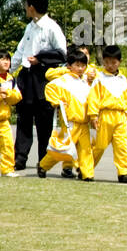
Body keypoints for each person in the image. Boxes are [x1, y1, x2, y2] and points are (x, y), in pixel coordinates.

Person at [11, 0, 68, 172]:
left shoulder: (51, 27)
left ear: (32, 7)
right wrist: (7, 72)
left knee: (44, 121)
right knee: (24, 118)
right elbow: (20, 52)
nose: (25, 8)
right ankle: (20, 157)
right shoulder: (30, 27)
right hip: (27, 77)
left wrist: (41, 58)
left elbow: (62, 53)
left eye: (26, 5)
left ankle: (43, 160)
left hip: (43, 77)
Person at [37, 48, 95, 180]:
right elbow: (49, 88)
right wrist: (57, 102)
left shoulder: (85, 81)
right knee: (62, 149)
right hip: (70, 122)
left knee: (86, 150)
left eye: (83, 65)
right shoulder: (64, 80)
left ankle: (87, 174)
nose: (80, 68)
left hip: (84, 123)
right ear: (69, 66)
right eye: (77, 65)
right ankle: (43, 165)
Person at [87, 45, 127, 183]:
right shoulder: (99, 78)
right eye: (107, 62)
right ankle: (85, 168)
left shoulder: (123, 80)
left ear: (119, 62)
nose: (110, 65)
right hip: (105, 115)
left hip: (120, 117)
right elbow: (93, 98)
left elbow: (126, 100)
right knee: (99, 146)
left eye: (113, 62)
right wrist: (93, 116)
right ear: (103, 61)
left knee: (121, 146)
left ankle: (123, 173)